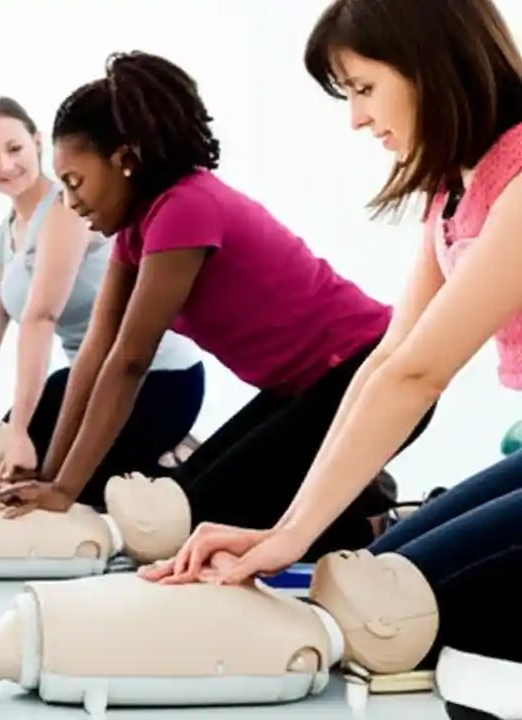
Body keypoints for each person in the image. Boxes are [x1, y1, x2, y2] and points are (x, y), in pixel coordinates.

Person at [146, 0, 522, 670]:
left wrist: (291, 535)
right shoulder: (453, 194)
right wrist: (288, 526)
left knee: (385, 613)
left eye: (365, 89)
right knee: (370, 575)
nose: (356, 118)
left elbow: (420, 375)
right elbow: (388, 361)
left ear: (430, 66)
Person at [0, 51, 434, 562]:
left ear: (125, 159)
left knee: (196, 519)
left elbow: (129, 361)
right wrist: (50, 477)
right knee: (184, 502)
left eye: (76, 182)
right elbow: (94, 356)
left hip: (365, 371)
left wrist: (64, 491)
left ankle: (384, 519)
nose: (71, 201)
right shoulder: (137, 228)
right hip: (309, 387)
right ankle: (364, 497)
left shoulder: (184, 208)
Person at [0, 96, 206, 505]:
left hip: (156, 377)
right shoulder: (5, 239)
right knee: (10, 474)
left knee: (72, 488)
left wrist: (23, 432)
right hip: (90, 378)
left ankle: (176, 460)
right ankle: (153, 453)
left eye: (14, 149)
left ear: (38, 142)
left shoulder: (66, 208)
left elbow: (41, 317)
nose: (4, 166)